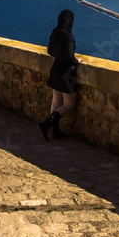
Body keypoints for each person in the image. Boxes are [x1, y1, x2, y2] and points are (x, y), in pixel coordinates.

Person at [39, 9, 79, 141]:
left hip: (55, 70)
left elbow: (50, 51)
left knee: (56, 101)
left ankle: (55, 132)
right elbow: (69, 56)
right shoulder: (67, 35)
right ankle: (46, 124)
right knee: (68, 104)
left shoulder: (55, 32)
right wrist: (76, 61)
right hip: (67, 73)